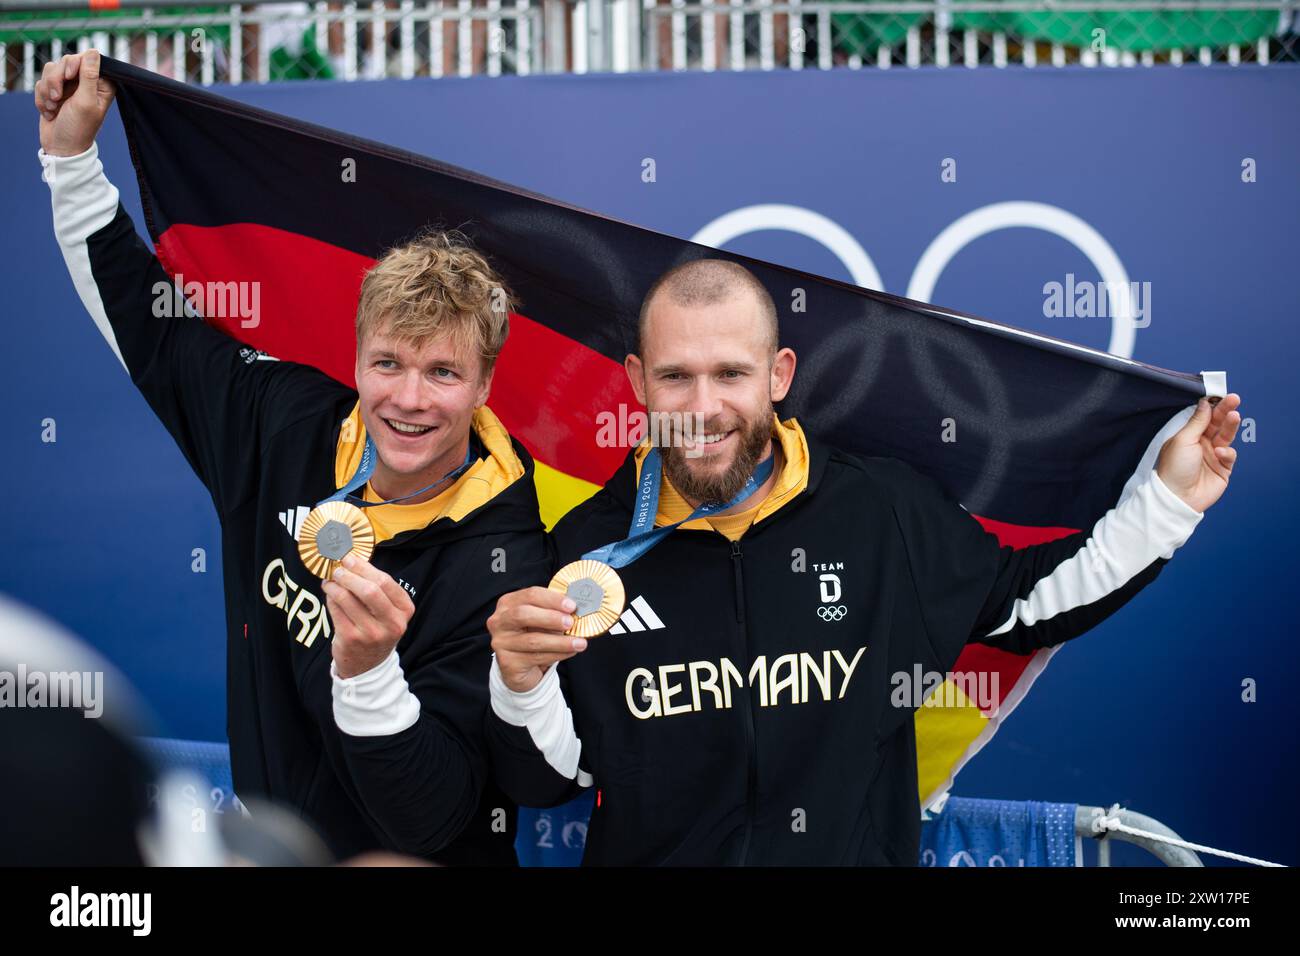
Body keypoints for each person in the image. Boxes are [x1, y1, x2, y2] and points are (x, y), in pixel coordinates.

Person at [483, 257, 1242, 865]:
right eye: (676, 376)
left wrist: (1166, 506)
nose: (703, 406)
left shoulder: (877, 512)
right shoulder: (590, 548)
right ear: (637, 380)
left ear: (778, 376)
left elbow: (1028, 600)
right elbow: (552, 781)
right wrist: (520, 685)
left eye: (731, 375)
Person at [36, 50, 551, 864]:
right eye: (389, 364)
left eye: (443, 372)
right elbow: (148, 324)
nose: (409, 400)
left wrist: (368, 669)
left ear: (485, 384)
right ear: (355, 361)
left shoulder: (511, 555)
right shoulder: (284, 423)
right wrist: (70, 162)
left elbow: (438, 818)